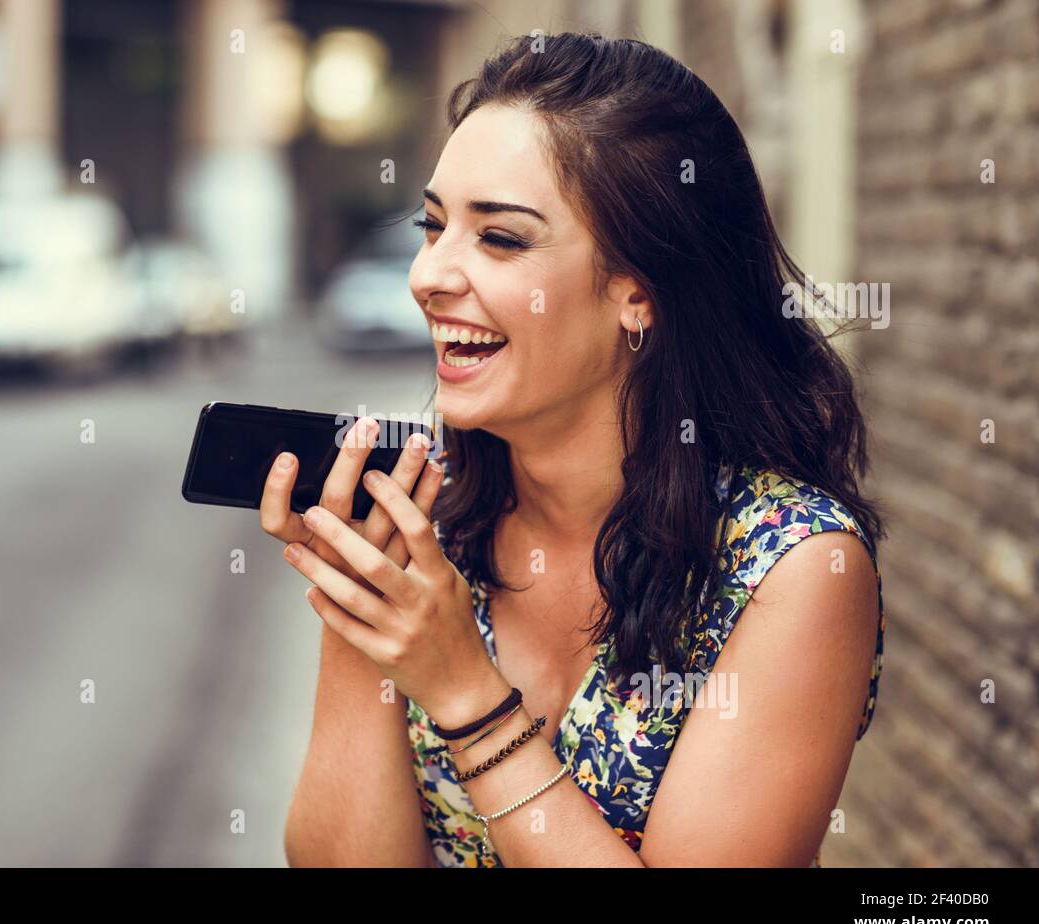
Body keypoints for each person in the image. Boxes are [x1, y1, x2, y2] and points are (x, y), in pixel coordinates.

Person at [263, 33, 885, 867]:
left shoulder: (793, 568)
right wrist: (361, 601)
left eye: (501, 239)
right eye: (434, 225)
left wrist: (464, 691)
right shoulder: (431, 526)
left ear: (638, 295)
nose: (427, 275)